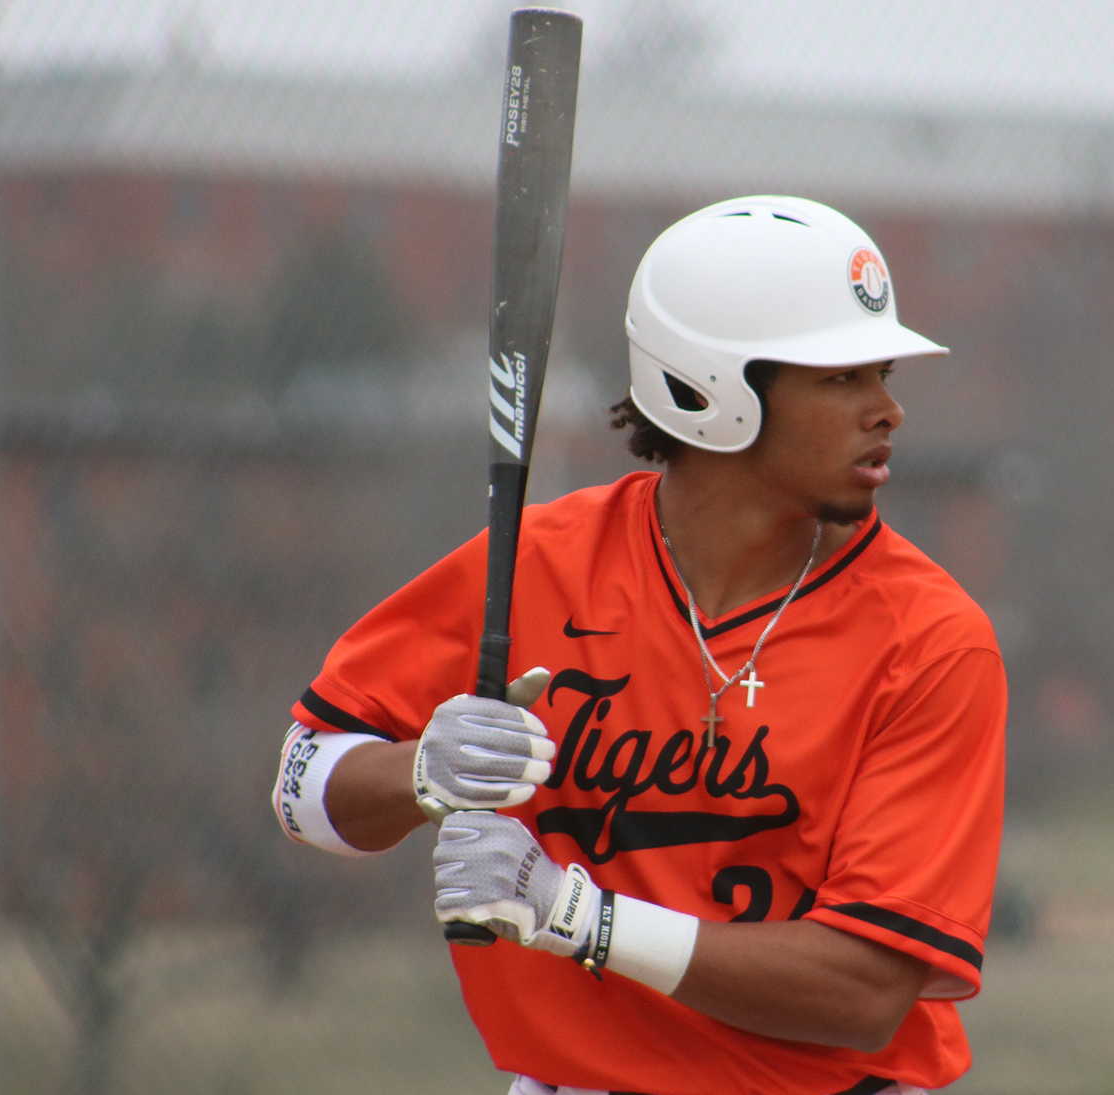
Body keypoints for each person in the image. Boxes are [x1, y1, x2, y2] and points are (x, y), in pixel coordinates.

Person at [272, 195, 1007, 1095]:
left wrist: (577, 913)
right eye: (840, 379)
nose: (888, 410)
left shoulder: (931, 640)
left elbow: (862, 991)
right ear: (708, 390)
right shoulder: (539, 565)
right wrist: (420, 772)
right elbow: (303, 782)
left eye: (881, 374)